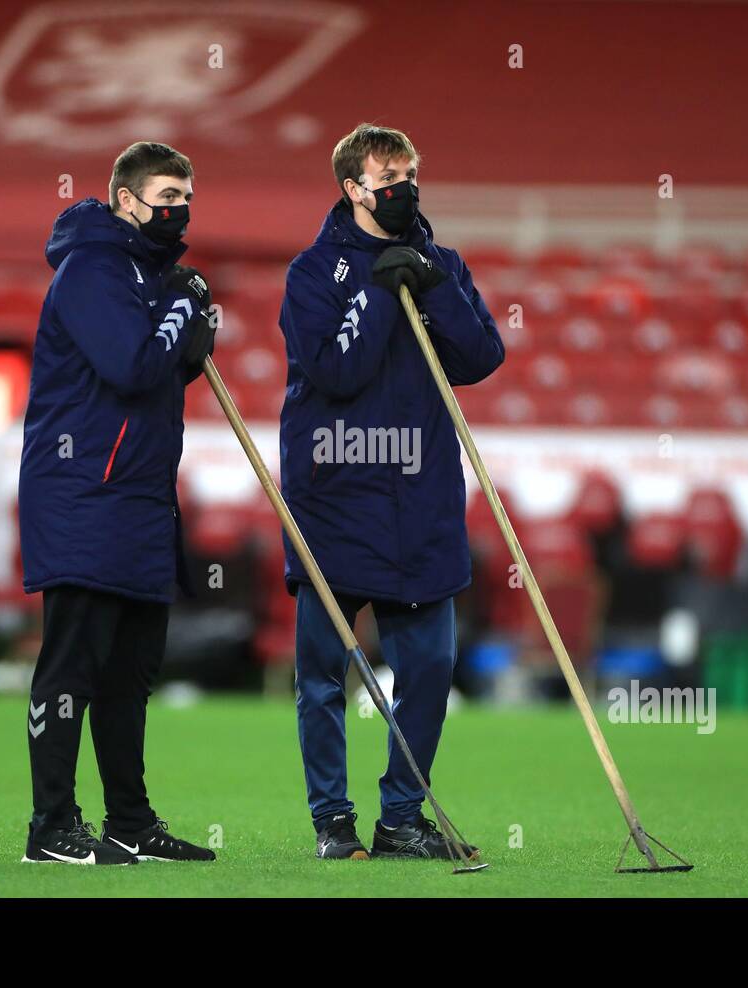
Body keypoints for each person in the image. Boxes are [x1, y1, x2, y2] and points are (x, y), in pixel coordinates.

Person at [278, 124, 505, 860]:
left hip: (421, 500)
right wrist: (383, 291)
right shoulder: (313, 274)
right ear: (352, 187)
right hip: (333, 497)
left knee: (431, 671)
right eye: (388, 176)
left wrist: (429, 282)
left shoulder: (442, 262)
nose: (403, 186)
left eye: (410, 172)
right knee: (322, 677)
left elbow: (480, 358)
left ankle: (402, 817)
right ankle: (332, 823)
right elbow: (336, 373)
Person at [17, 142, 217, 865]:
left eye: (187, 195)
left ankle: (129, 821)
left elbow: (161, 371)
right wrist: (180, 307)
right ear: (126, 200)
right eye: (166, 194)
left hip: (138, 497)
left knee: (130, 672)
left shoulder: (147, 274)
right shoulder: (94, 268)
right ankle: (51, 826)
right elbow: (132, 364)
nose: (179, 207)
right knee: (72, 665)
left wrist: (190, 332)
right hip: (83, 494)